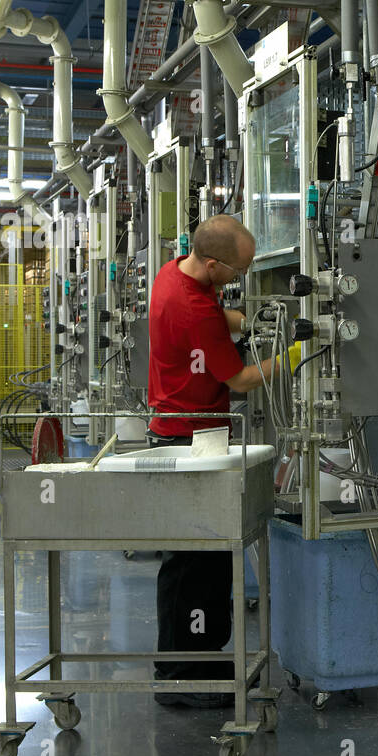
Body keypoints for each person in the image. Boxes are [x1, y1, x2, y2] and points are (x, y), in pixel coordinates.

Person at [146, 214, 279, 707]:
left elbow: (211, 311)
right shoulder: (195, 312)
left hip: (176, 431)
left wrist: (247, 322)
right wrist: (296, 352)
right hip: (192, 440)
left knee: (194, 561)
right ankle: (184, 677)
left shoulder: (172, 274)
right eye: (237, 273)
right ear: (212, 262)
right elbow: (241, 380)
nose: (239, 280)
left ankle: (195, 662)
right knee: (195, 564)